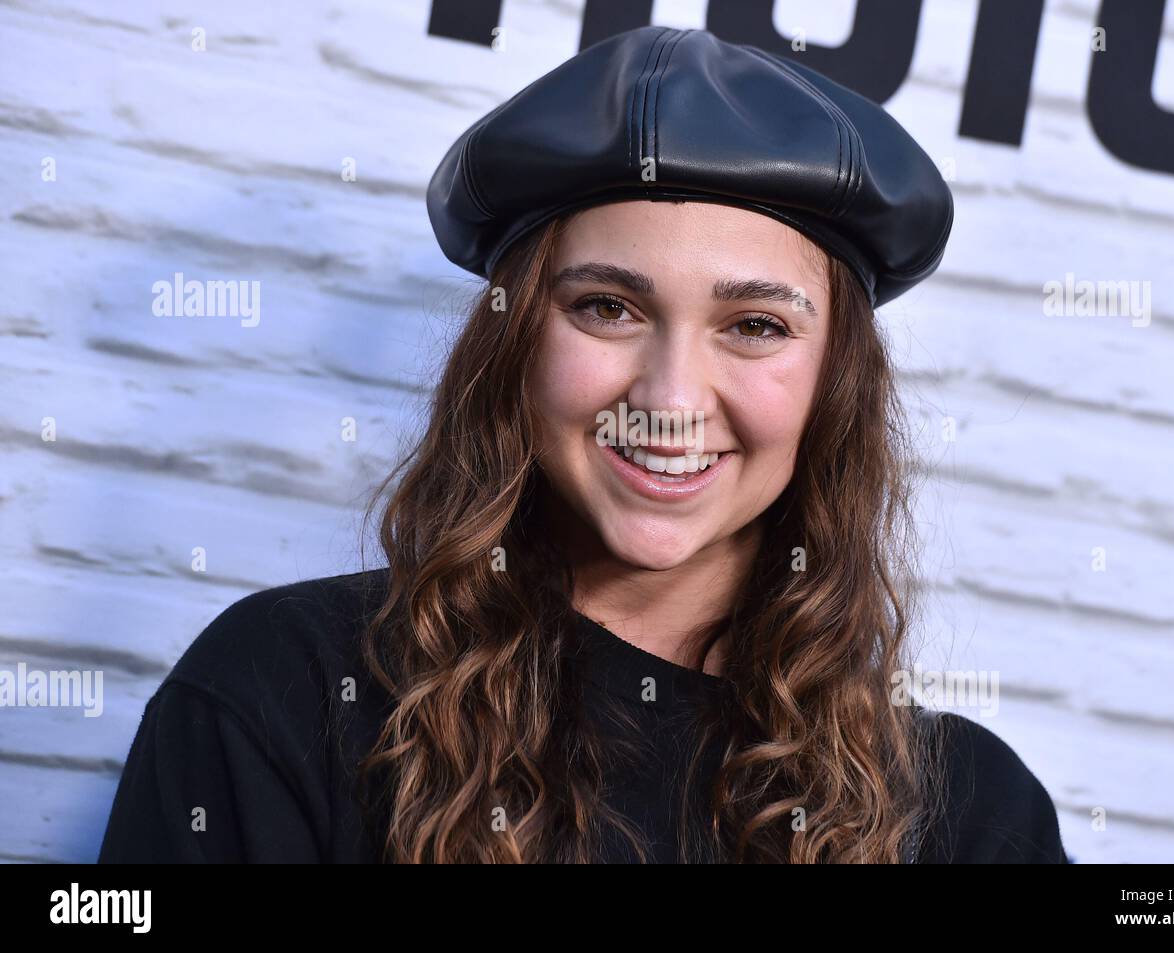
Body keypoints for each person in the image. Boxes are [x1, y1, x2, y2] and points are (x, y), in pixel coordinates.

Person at [98, 25, 1069, 864]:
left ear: (834, 386)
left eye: (756, 325)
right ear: (514, 345)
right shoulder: (286, 693)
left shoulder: (970, 817)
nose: (670, 395)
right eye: (606, 307)